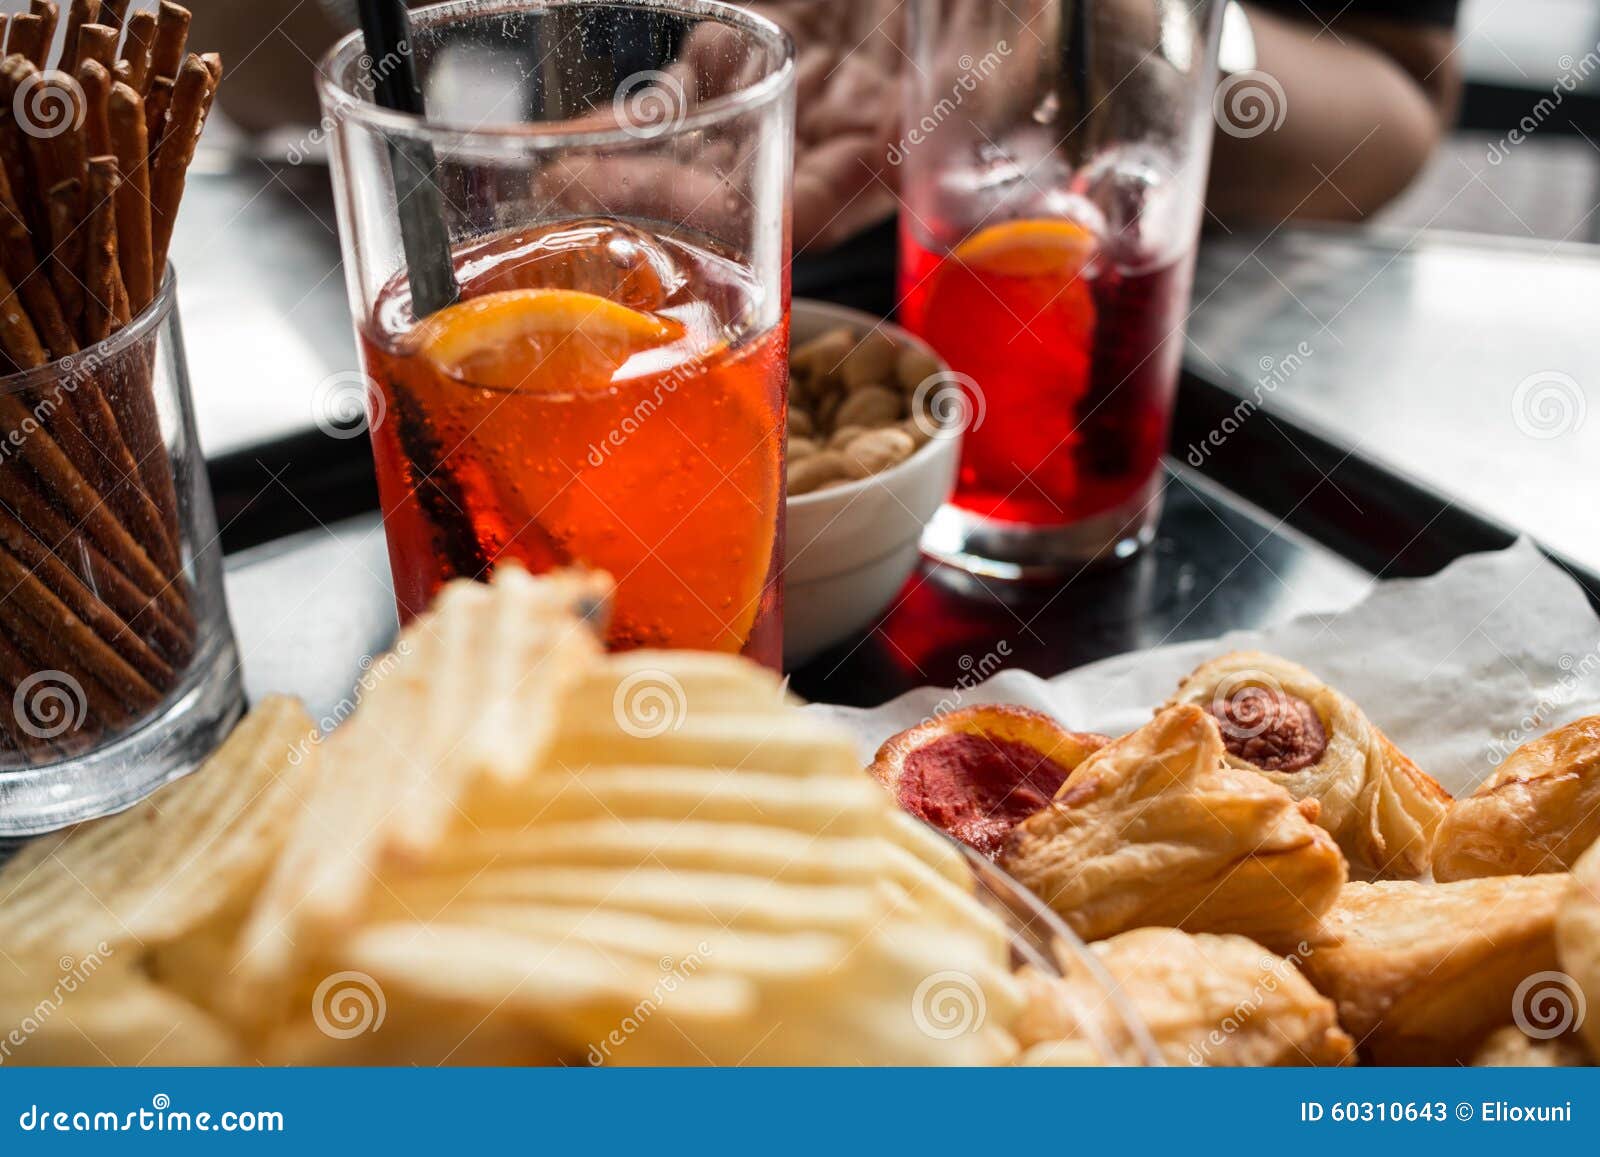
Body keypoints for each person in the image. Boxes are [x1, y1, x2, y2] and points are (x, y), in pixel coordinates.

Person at [192, 0, 1461, 250]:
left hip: (1114, 385)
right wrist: (507, 36)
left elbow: (1399, 101)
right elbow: (219, 54)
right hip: (498, 319)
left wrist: (1105, 32)